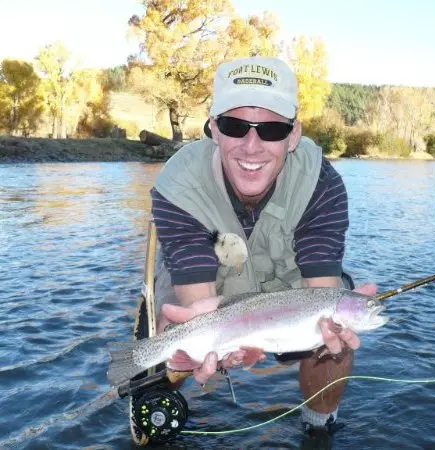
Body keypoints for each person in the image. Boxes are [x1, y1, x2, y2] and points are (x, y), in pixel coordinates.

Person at [149, 56, 376, 446]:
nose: (251, 146)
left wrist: (330, 335)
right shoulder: (176, 186)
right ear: (214, 129)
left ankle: (318, 427)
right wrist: (209, 342)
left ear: (293, 135)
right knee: (181, 336)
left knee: (333, 348)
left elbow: (321, 290)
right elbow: (197, 302)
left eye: (271, 129)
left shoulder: (321, 183)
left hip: (287, 279)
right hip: (211, 280)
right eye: (235, 126)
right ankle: (152, 376)